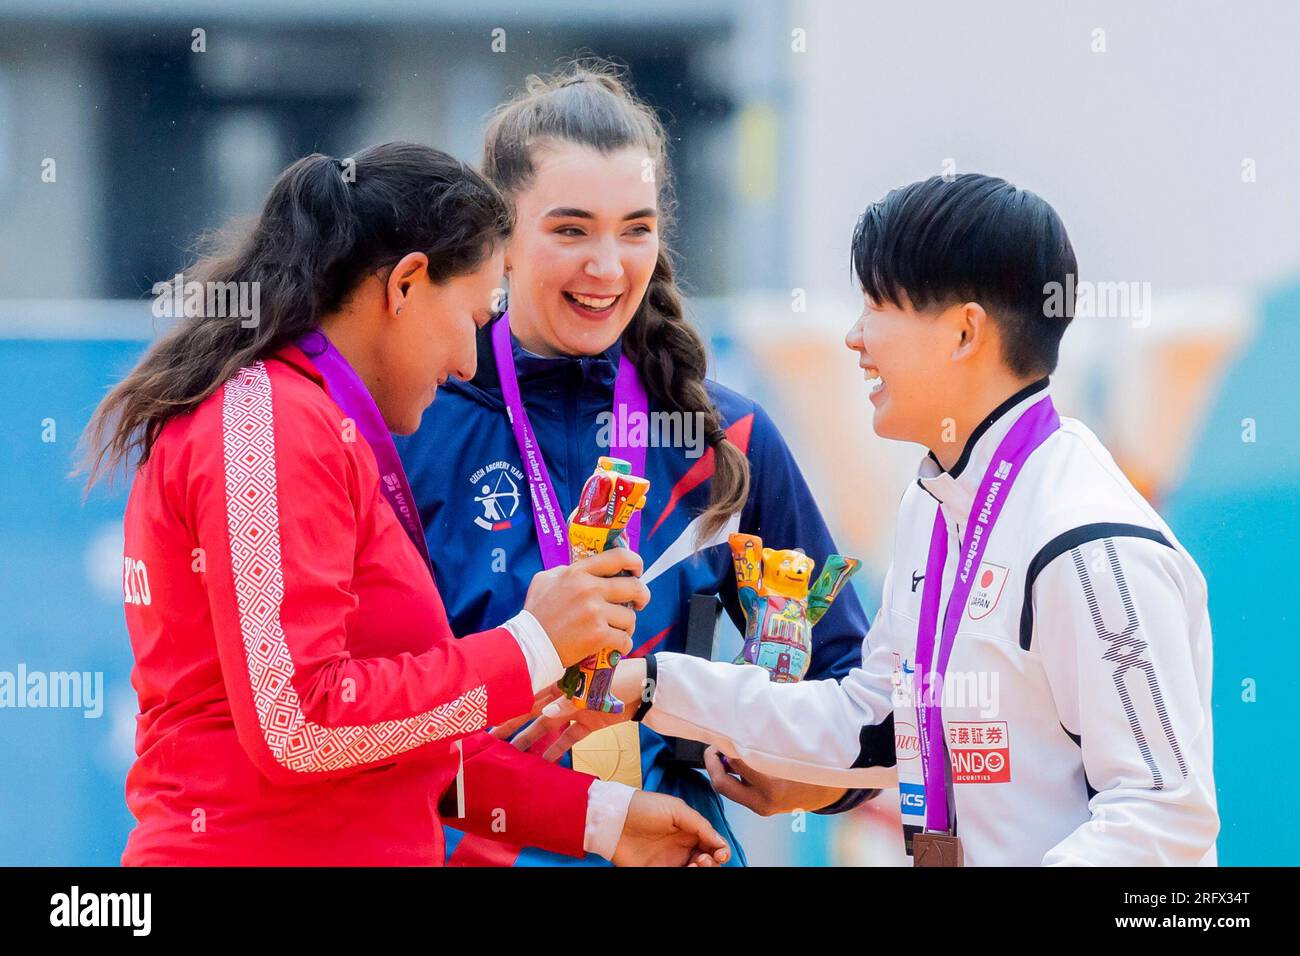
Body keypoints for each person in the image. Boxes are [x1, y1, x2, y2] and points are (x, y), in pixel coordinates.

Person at [526, 173, 1221, 866]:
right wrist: (646, 686)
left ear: (963, 332)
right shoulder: (936, 503)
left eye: (878, 307)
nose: (856, 339)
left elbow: (1161, 814)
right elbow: (875, 722)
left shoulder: (1085, 539)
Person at [80, 141, 730, 866]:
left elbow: (394, 748)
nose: (469, 363)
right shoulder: (273, 419)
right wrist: (532, 643)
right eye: (475, 319)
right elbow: (300, 726)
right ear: (406, 285)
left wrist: (602, 821)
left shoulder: (315, 421)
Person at [395, 61, 873, 867]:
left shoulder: (725, 439)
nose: (608, 267)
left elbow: (851, 686)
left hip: (676, 850)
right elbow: (357, 707)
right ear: (499, 236)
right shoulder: (412, 422)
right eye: (571, 229)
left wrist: (807, 781)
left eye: (636, 229)